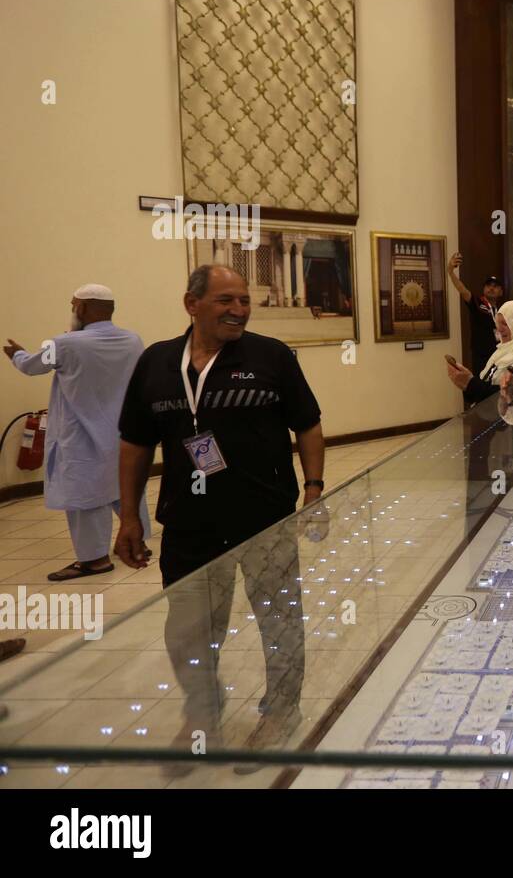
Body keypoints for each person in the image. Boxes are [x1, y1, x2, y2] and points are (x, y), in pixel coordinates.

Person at [114, 264, 325, 752]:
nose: (239, 310)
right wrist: (129, 516)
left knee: (279, 620)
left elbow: (308, 425)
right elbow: (135, 443)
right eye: (225, 300)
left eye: (244, 300)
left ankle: (281, 711)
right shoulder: (156, 363)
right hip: (189, 523)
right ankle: (201, 711)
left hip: (265, 518)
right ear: (191, 303)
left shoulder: (272, 357)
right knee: (190, 629)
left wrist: (313, 490)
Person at [5, 284, 149, 581]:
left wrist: (17, 354)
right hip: (122, 433)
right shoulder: (133, 341)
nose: (73, 311)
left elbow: (32, 367)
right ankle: (137, 544)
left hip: (82, 437)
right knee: (125, 490)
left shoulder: (67, 344)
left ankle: (95, 560)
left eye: (73, 305)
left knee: (85, 499)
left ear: (82, 308)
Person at [445, 300, 513, 405]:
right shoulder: (507, 348)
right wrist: (466, 384)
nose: (499, 329)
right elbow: (490, 383)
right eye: (498, 323)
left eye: (505, 323)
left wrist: (470, 383)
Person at [446, 251, 505, 377]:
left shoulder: (504, 310)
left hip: (500, 354)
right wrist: (450, 271)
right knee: (482, 384)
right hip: (481, 355)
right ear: (483, 289)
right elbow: (462, 290)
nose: (491, 288)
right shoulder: (478, 303)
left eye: (495, 286)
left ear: (501, 292)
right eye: (488, 285)